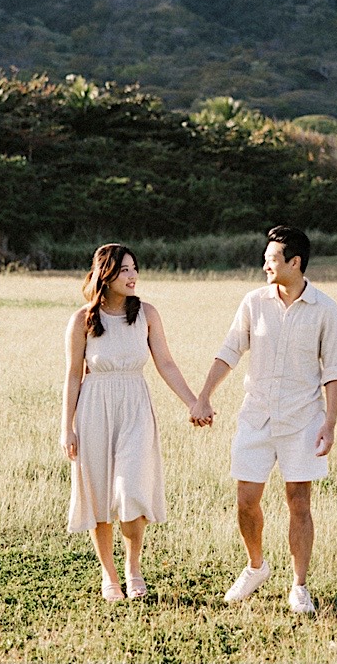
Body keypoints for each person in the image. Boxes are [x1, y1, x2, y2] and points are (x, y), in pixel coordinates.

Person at [190, 225, 337, 615]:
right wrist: (204, 395)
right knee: (246, 500)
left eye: (272, 259)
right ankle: (256, 567)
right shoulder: (253, 302)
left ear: (295, 262)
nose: (265, 265)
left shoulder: (325, 308)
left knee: (299, 502)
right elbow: (230, 350)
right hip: (256, 416)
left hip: (303, 420)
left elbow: (334, 370)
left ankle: (299, 586)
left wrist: (329, 424)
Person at [61, 243, 203, 602]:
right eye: (125, 270)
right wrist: (67, 427)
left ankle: (133, 567)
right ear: (105, 274)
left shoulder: (148, 314)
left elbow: (166, 363)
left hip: (136, 406)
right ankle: (109, 575)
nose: (133, 275)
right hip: (94, 407)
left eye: (134, 268)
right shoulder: (82, 320)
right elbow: (72, 376)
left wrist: (193, 401)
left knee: (131, 489)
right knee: (99, 492)